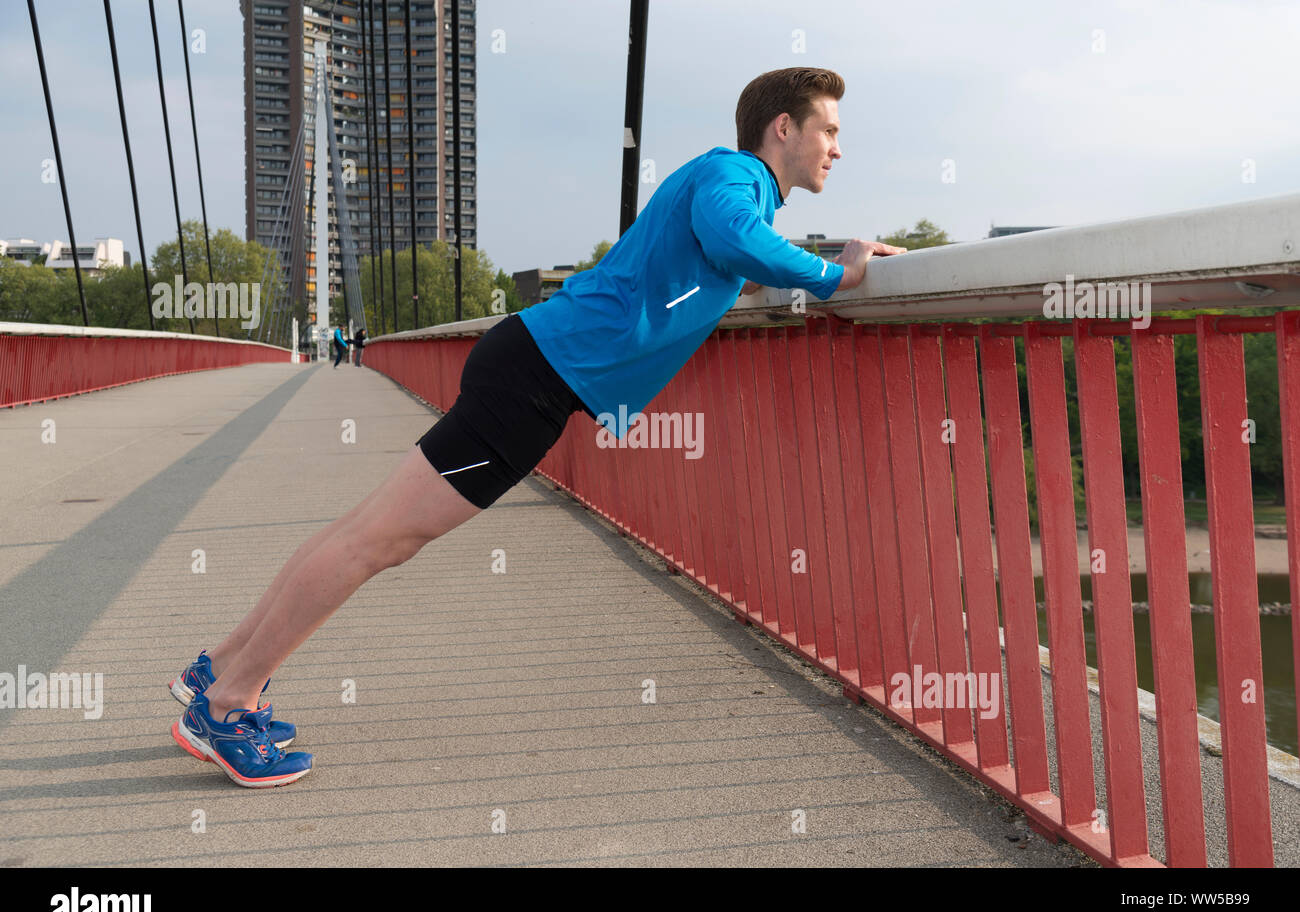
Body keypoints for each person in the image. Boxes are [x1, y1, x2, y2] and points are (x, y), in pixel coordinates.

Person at [168, 66, 905, 787]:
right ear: (785, 127)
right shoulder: (734, 177)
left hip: (534, 364)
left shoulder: (730, 187)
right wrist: (839, 273)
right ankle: (228, 705)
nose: (836, 148)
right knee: (374, 541)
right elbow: (732, 233)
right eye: (829, 130)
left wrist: (794, 267)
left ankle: (221, 668)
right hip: (537, 380)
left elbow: (716, 255)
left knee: (363, 529)